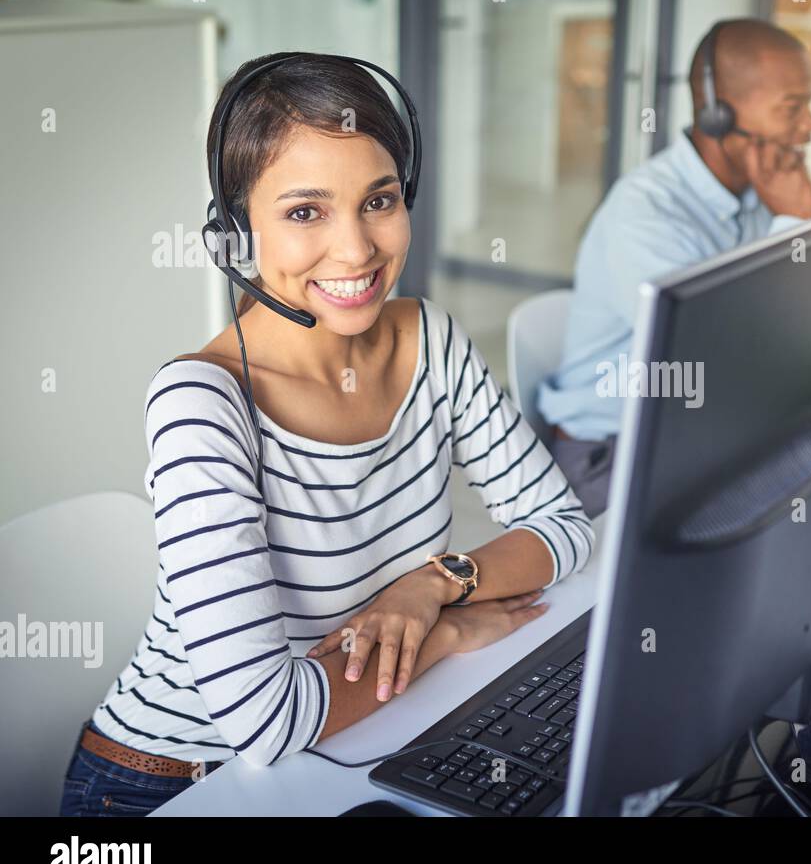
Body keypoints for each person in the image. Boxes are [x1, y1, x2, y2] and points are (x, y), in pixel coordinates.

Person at [59, 53, 593, 816]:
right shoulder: (203, 404)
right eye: (305, 212)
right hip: (167, 785)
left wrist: (434, 585)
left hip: (344, 741)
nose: (356, 251)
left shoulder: (429, 338)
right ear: (238, 232)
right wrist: (442, 635)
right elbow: (265, 719)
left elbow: (565, 529)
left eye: (378, 200)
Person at [538, 19, 811, 517]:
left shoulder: (763, 189)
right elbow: (725, 362)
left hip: (692, 434)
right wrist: (793, 225)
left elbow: (802, 319)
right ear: (717, 115)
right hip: (609, 455)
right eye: (792, 109)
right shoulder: (646, 214)